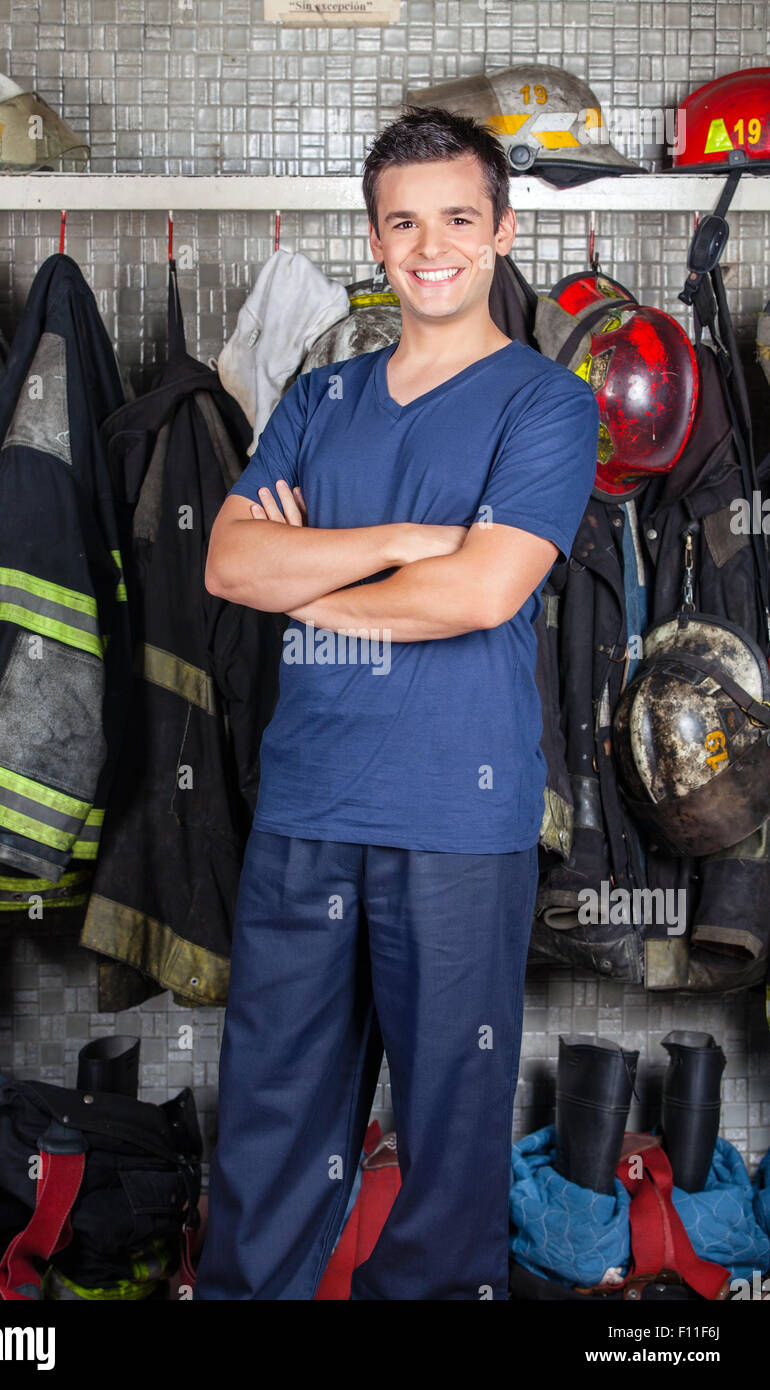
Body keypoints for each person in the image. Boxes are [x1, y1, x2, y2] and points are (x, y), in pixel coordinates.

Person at [194, 105, 599, 1301]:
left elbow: (480, 592)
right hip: (306, 807)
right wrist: (401, 545)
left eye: (457, 220)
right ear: (374, 239)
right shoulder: (319, 402)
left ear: (502, 230)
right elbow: (228, 566)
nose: (430, 247)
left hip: (456, 823)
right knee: (268, 1128)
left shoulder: (546, 404)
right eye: (402, 222)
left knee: (446, 1149)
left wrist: (312, 573)